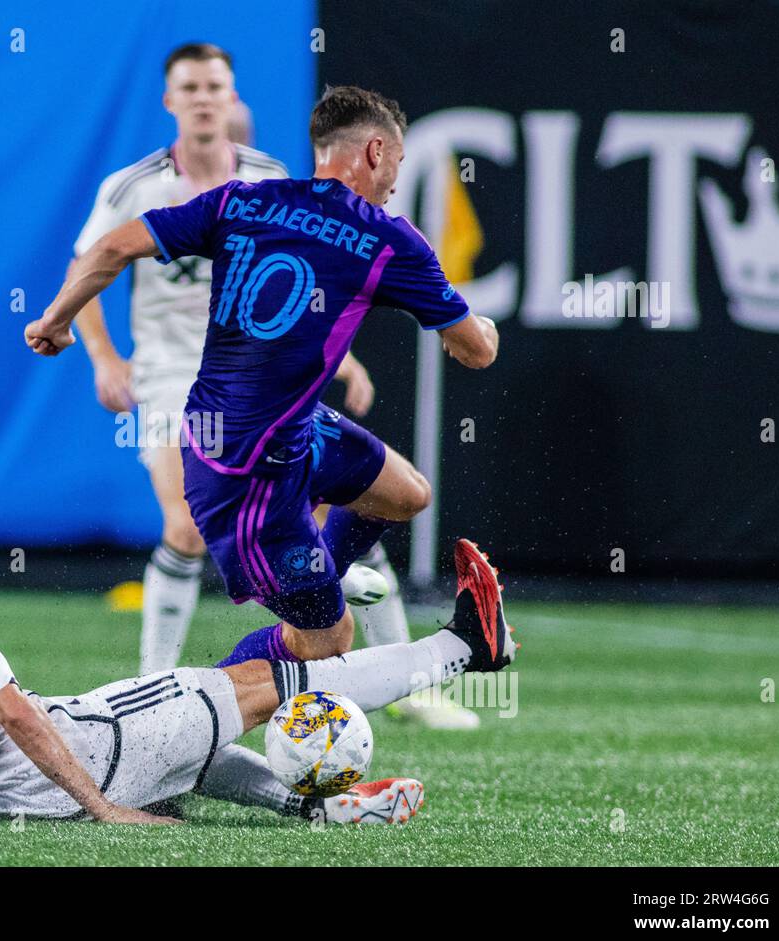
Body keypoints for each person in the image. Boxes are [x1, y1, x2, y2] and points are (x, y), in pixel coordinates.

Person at [25, 85, 500, 672]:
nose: (395, 183)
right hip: (242, 478)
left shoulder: (241, 201)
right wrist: (485, 326)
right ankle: (177, 713)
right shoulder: (389, 239)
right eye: (397, 165)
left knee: (407, 495)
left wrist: (56, 319)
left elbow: (114, 245)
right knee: (329, 642)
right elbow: (476, 352)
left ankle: (320, 570)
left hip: (286, 432)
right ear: (376, 151)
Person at [0, 486, 514, 822]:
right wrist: (103, 807)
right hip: (89, 755)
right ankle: (463, 646)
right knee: (267, 680)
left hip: (5, 804)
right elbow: (16, 715)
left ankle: (317, 807)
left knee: (193, 743)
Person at [71, 43, 386, 677]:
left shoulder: (270, 178)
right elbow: (88, 266)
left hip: (262, 373)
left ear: (232, 98)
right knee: (185, 527)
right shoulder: (134, 187)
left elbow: (313, 276)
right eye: (190, 89)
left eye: (215, 87)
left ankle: (396, 679)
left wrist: (340, 356)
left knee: (332, 500)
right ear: (170, 102)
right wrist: (104, 358)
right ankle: (152, 684)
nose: (204, 99)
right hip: (171, 376)